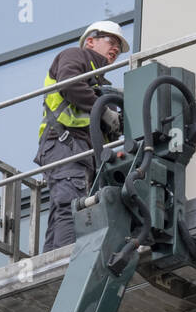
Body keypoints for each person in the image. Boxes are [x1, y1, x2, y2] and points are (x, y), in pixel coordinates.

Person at [35, 20, 129, 251]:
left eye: (119, 45)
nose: (115, 49)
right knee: (71, 206)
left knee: (63, 209)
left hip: (82, 152)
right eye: (111, 41)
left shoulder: (101, 85)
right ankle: (66, 261)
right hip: (64, 144)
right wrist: (104, 110)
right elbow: (70, 84)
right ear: (90, 41)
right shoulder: (75, 56)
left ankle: (51, 262)